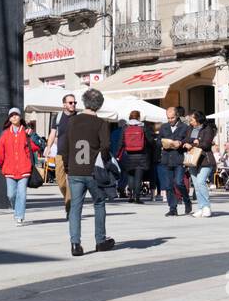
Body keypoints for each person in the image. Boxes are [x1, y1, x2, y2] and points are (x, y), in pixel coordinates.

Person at [58, 88, 114, 255]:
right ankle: (100, 240)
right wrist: (104, 160)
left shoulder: (72, 121)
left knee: (75, 207)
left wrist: (68, 166)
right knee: (99, 203)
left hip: (75, 170)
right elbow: (105, 146)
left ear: (84, 102)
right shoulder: (101, 123)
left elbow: (65, 146)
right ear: (100, 105)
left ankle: (75, 244)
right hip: (93, 171)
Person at [0, 107, 33, 225]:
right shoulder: (4, 134)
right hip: (9, 169)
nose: (14, 117)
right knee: (11, 194)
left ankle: (19, 216)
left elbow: (36, 146)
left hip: (24, 168)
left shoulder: (26, 132)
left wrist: (33, 135)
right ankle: (17, 209)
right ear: (9, 119)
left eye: (16, 115)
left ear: (20, 117)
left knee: (22, 193)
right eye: (12, 115)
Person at [43, 93, 78, 215]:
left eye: (74, 102)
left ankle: (70, 208)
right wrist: (48, 147)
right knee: (61, 182)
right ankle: (68, 200)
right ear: (64, 104)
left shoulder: (78, 117)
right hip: (60, 153)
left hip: (75, 155)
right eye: (70, 102)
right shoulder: (58, 117)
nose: (73, 104)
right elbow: (53, 133)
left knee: (72, 182)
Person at [157, 106, 192, 216]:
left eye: (172, 118)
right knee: (168, 185)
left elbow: (188, 139)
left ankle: (186, 200)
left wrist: (180, 143)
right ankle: (173, 208)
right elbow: (158, 141)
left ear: (177, 116)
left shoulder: (185, 127)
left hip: (179, 158)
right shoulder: (164, 127)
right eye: (168, 118)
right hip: (166, 158)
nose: (170, 120)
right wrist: (163, 143)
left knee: (179, 182)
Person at [183, 110, 217, 216]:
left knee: (201, 181)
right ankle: (200, 207)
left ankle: (207, 206)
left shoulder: (208, 129)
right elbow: (186, 139)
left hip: (205, 160)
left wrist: (194, 143)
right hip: (193, 160)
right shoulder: (190, 128)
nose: (190, 121)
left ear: (198, 119)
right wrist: (186, 143)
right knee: (196, 185)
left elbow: (206, 144)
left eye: (192, 119)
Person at [118, 110, 150, 203]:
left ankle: (131, 196)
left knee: (130, 176)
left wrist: (117, 154)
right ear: (139, 117)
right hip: (141, 155)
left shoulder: (125, 127)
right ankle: (137, 198)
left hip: (128, 155)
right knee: (138, 177)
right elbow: (150, 140)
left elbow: (121, 142)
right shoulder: (143, 127)